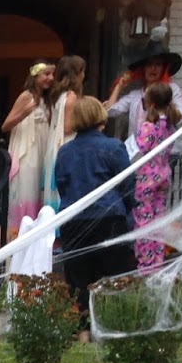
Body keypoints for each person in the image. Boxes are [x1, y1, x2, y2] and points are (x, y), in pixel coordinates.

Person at [53, 96, 137, 325]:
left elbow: (62, 184)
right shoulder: (113, 147)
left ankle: (83, 331)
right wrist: (126, 211)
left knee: (79, 278)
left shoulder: (65, 152)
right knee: (112, 278)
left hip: (74, 220)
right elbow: (128, 185)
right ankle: (110, 326)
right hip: (108, 218)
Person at [132, 82, 182, 271]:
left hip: (147, 177)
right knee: (158, 218)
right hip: (163, 173)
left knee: (144, 220)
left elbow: (140, 148)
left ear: (151, 102)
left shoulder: (149, 126)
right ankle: (158, 261)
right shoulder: (170, 125)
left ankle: (145, 264)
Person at [2, 61, 55, 238]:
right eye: (46, 74)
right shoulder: (26, 96)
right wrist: (24, 113)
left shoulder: (47, 100)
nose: (50, 78)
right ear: (36, 76)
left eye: (52, 75)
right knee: (28, 189)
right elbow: (6, 125)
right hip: (28, 151)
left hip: (42, 149)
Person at [107, 46, 182, 152]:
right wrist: (119, 86)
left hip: (165, 154)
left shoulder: (172, 89)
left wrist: (163, 107)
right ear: (143, 69)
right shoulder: (135, 95)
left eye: (158, 65)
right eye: (149, 65)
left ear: (163, 68)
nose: (153, 68)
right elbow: (110, 111)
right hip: (139, 154)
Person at [41, 55, 86, 211]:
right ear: (78, 73)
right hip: (67, 144)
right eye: (83, 71)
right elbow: (67, 127)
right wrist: (88, 121)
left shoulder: (57, 95)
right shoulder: (71, 97)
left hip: (55, 145)